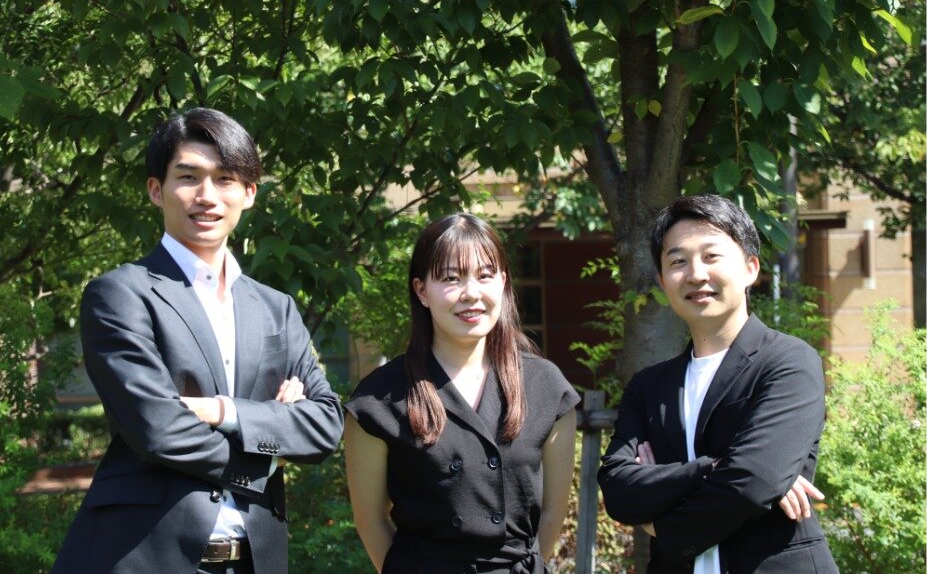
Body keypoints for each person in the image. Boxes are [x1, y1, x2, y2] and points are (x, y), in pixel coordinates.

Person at [52, 108, 345, 574]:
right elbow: (157, 429)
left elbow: (326, 424)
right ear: (156, 189)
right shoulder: (121, 295)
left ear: (249, 193)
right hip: (143, 556)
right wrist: (269, 449)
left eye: (225, 179)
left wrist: (223, 411)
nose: (207, 196)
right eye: (188, 177)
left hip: (255, 559)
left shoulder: (276, 308)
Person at [597, 194, 838, 573]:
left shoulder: (788, 361)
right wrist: (716, 467)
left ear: (750, 268)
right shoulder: (649, 387)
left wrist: (659, 524)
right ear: (662, 281)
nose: (695, 274)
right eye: (678, 261)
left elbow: (751, 482)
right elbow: (618, 491)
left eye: (711, 256)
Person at [344, 213, 579, 573]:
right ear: (421, 290)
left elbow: (551, 515)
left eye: (485, 275)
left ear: (503, 282)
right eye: (451, 278)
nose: (471, 294)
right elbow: (371, 522)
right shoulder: (378, 400)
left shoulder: (546, 387)